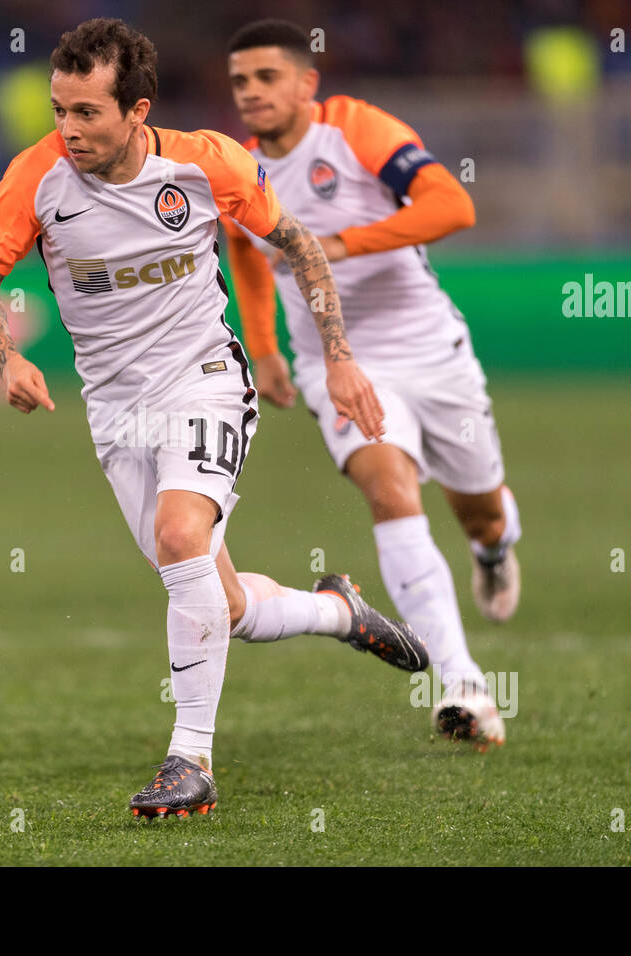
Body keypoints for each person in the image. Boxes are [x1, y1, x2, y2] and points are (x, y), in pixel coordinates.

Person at [0, 18, 429, 819]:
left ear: (137, 110)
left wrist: (339, 355)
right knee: (222, 605)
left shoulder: (206, 162)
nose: (67, 130)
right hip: (115, 411)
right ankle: (337, 610)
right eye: (58, 110)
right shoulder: (34, 178)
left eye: (87, 113)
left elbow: (301, 247)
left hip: (205, 379)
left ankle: (191, 760)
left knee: (181, 538)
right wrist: (7, 357)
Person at [221, 19, 522, 748]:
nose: (251, 93)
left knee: (479, 511)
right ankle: (463, 685)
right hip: (343, 363)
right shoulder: (241, 172)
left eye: (266, 77)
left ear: (306, 84)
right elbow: (249, 258)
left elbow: (454, 205)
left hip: (434, 353)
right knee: (389, 490)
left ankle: (493, 547)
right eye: (239, 82)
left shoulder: (355, 129)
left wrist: (340, 244)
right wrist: (264, 352)